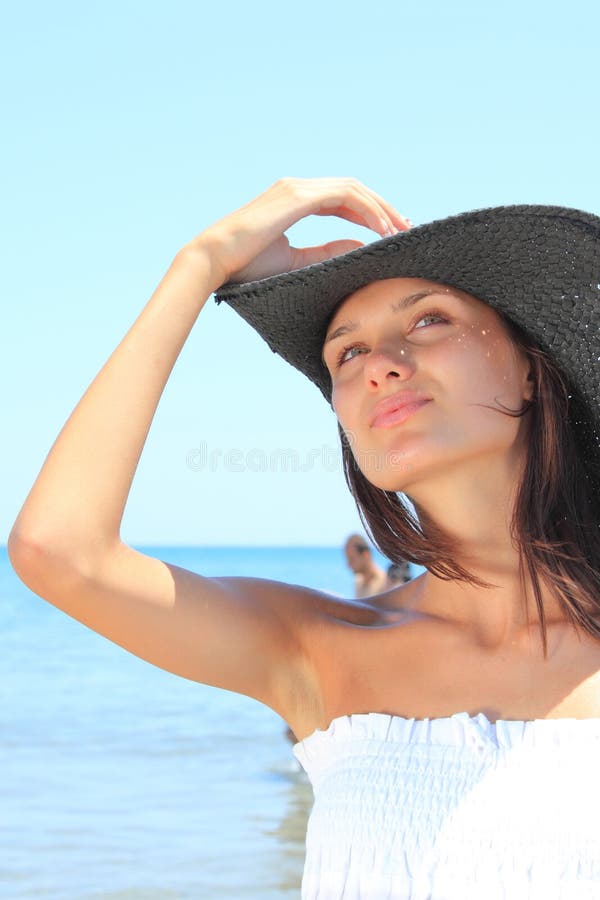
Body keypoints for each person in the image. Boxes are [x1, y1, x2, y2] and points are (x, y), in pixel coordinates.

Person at [8, 177, 600, 897]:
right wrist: (199, 265)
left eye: (429, 322)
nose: (381, 365)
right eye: (346, 354)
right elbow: (59, 552)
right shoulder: (319, 647)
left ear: (534, 371)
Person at [343, 533, 389, 598]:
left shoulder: (385, 583)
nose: (348, 565)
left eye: (351, 559)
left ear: (366, 555)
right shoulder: (358, 581)